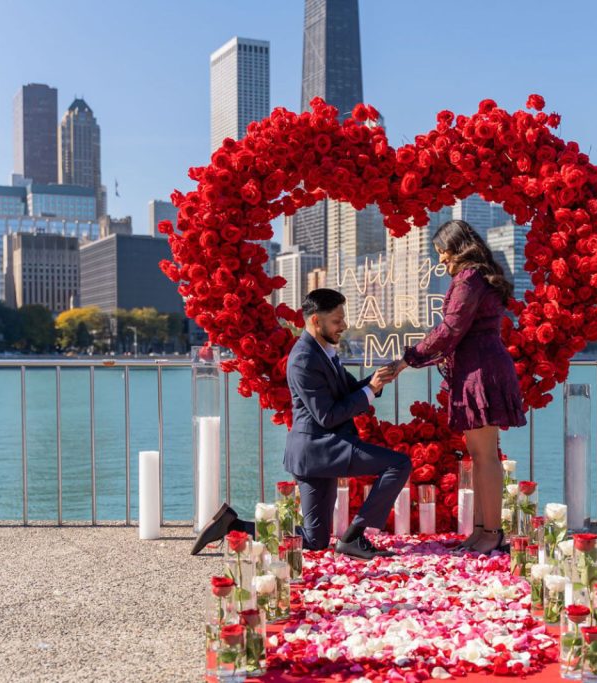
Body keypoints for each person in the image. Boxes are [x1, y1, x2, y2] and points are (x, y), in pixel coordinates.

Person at [191, 289, 410, 561]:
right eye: (337, 320)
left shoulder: (322, 351)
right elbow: (327, 415)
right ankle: (354, 536)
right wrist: (370, 390)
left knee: (314, 540)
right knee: (398, 464)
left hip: (318, 451)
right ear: (316, 321)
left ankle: (233, 526)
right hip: (321, 448)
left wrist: (378, 380)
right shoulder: (304, 357)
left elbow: (347, 391)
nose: (344, 325)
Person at [388, 219, 526, 554]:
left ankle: (492, 532)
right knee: (479, 456)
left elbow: (450, 329)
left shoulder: (469, 278)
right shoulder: (476, 276)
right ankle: (481, 531)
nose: (440, 260)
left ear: (458, 247)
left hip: (481, 369)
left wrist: (406, 360)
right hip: (478, 367)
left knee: (485, 456)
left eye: (442, 252)